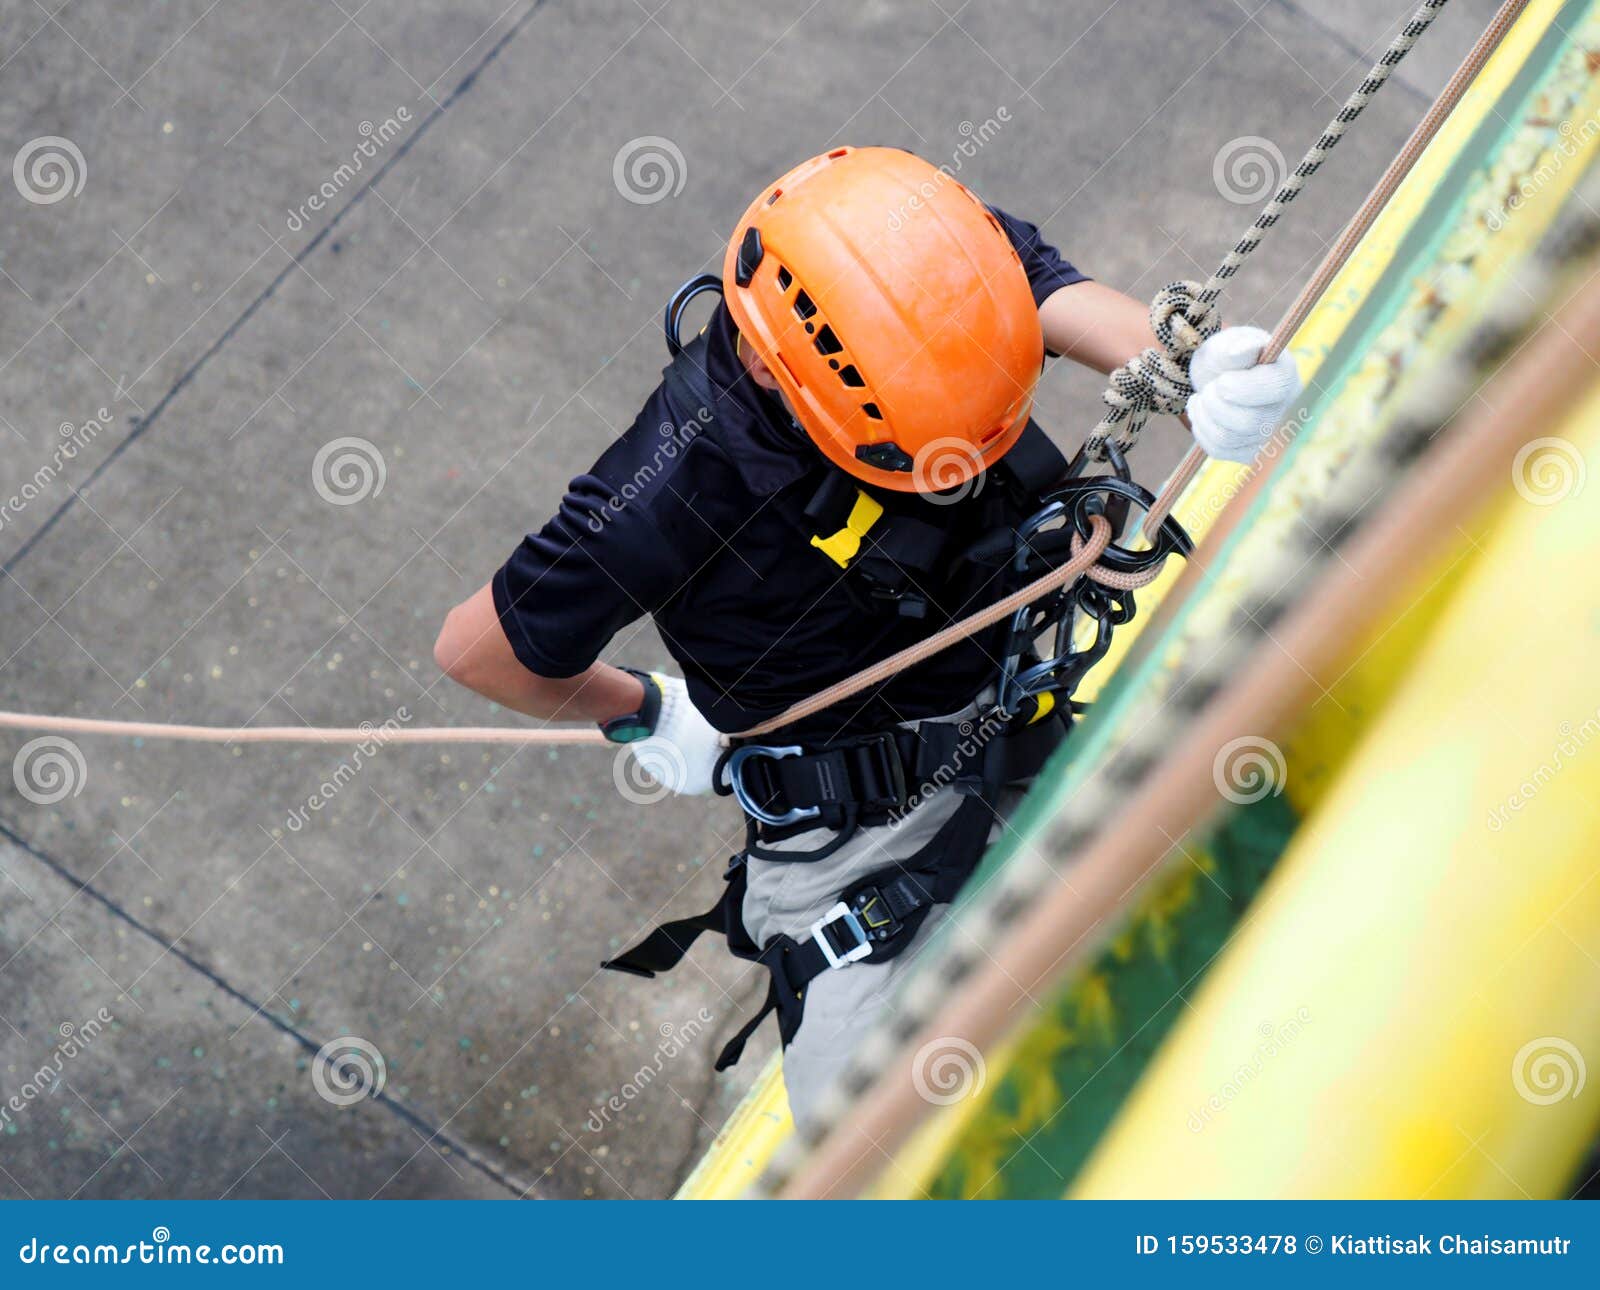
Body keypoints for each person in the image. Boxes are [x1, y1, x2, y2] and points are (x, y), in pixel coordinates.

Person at [432, 146, 1300, 1131]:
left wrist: (1193, 375)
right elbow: (480, 648)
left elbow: (1047, 294)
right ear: (789, 384)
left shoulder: (900, 244)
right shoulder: (669, 485)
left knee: (1271, 904)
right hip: (857, 845)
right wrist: (642, 711)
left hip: (1021, 712)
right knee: (874, 1160)